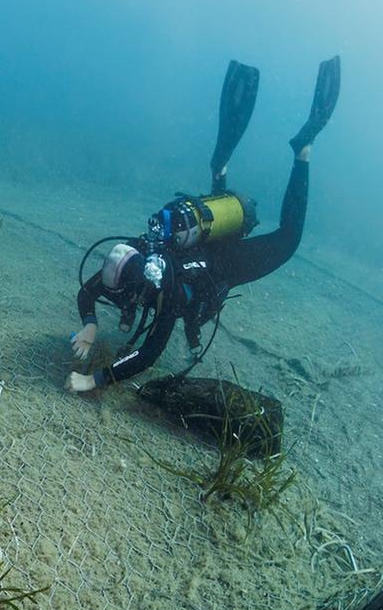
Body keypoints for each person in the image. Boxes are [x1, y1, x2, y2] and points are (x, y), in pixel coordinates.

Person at [67, 57, 340, 393]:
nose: (115, 295)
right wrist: (90, 325)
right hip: (201, 239)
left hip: (227, 263)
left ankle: (303, 149)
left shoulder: (164, 286)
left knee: (289, 239)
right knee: (217, 219)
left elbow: (147, 354)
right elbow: (89, 291)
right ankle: (220, 169)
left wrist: (93, 379)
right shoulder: (133, 256)